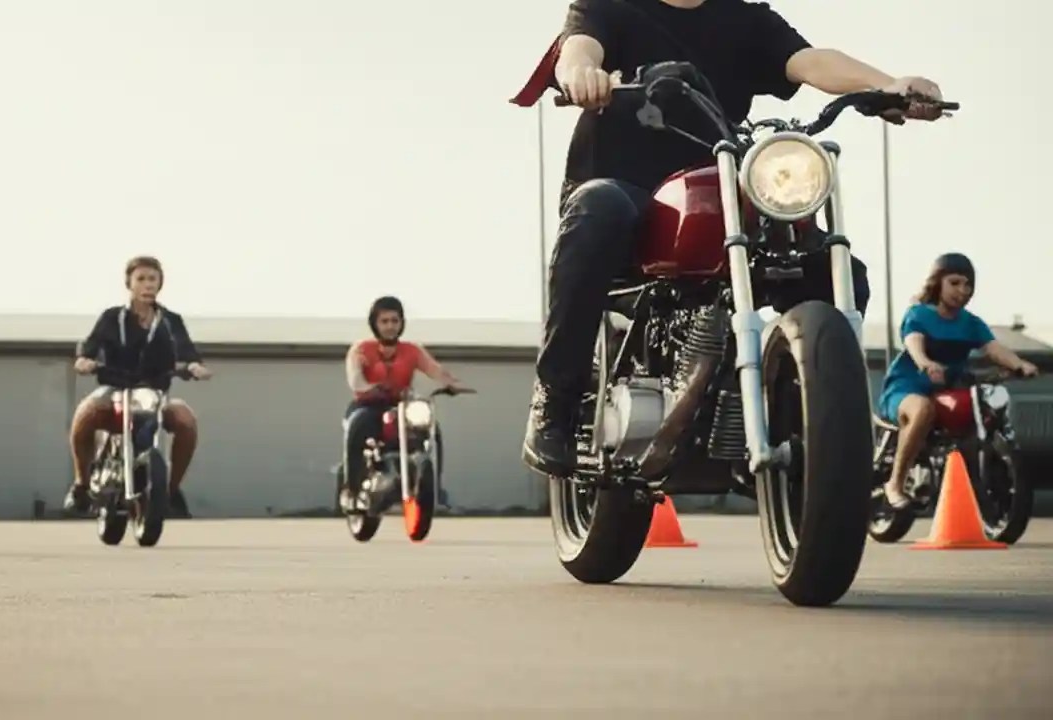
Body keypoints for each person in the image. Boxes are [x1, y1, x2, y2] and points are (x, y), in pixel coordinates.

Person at [512, 0, 952, 477]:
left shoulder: (746, 18)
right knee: (598, 210)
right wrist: (581, 73)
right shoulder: (610, 6)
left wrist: (887, 84)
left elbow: (811, 61)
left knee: (834, 269)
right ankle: (553, 403)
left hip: (717, 189)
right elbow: (578, 49)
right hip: (627, 187)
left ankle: (805, 423)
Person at [876, 253, 1038, 508]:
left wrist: (1019, 364)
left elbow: (994, 350)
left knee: (976, 415)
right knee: (922, 409)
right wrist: (925, 362)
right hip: (907, 386)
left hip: (948, 389)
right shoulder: (919, 314)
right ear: (937, 283)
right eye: (954, 283)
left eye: (967, 284)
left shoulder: (971, 324)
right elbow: (913, 341)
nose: (962, 290)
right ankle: (895, 484)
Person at [64, 256, 212, 519]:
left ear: (160, 284)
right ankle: (80, 485)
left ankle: (171, 491)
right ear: (129, 284)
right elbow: (91, 346)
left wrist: (194, 366)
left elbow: (187, 350)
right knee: (85, 412)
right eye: (141, 279)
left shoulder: (170, 321)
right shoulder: (112, 317)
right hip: (115, 388)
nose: (147, 285)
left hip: (154, 392)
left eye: (152, 279)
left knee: (186, 420)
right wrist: (85, 360)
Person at [340, 296, 465, 507]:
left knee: (433, 430)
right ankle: (351, 490)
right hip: (368, 405)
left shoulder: (412, 350)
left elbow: (435, 369)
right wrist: (367, 387)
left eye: (395, 321)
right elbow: (355, 378)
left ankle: (435, 488)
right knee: (357, 427)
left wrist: (451, 383)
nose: (390, 326)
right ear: (375, 323)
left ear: (402, 323)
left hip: (401, 407)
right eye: (385, 321)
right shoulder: (360, 349)